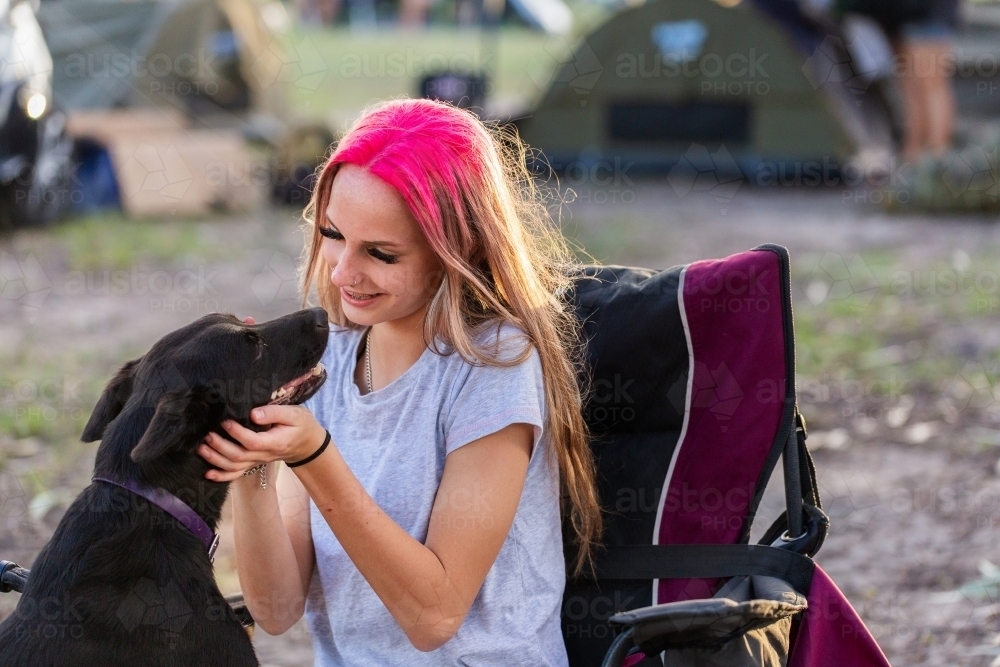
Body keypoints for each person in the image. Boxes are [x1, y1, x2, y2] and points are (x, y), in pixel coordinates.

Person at [196, 98, 602, 666]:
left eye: (381, 254)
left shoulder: (495, 365)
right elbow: (278, 609)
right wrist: (254, 468)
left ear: (457, 250)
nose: (341, 273)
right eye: (333, 234)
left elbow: (433, 617)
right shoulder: (331, 352)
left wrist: (314, 456)